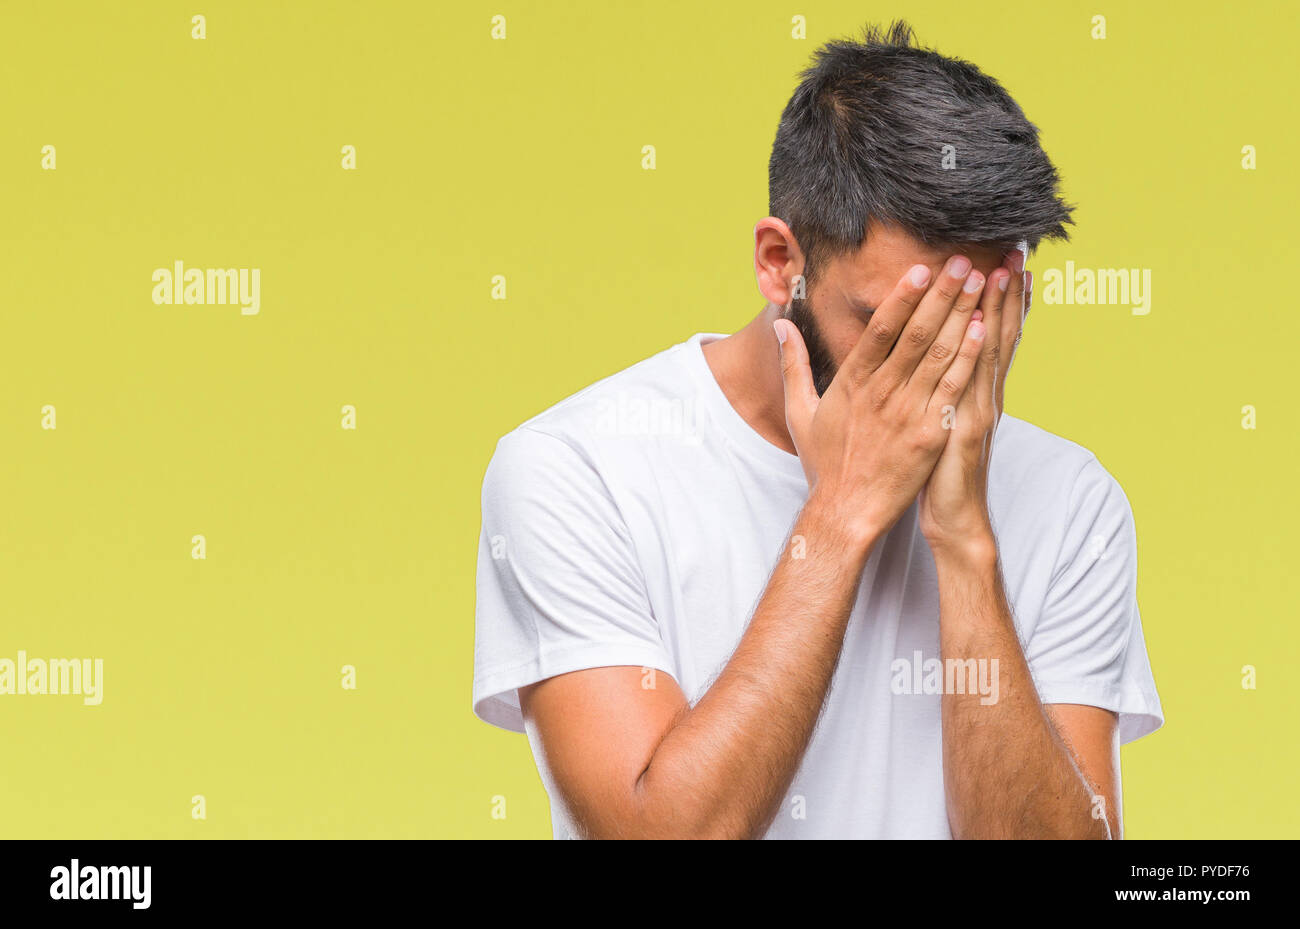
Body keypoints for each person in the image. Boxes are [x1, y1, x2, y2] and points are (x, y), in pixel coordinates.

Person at [472, 20, 1163, 839]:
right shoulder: (573, 470)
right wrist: (839, 513)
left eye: (974, 321)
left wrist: (965, 536)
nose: (937, 366)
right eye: (893, 325)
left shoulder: (1074, 501)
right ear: (779, 263)